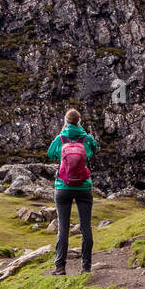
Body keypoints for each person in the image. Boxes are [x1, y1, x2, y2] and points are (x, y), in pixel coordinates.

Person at [47, 108, 97, 275]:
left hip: (63, 187)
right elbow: (93, 150)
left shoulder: (60, 138)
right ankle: (86, 267)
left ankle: (60, 268)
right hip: (84, 186)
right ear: (79, 121)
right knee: (86, 227)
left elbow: (51, 154)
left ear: (66, 121)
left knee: (63, 228)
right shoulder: (86, 138)